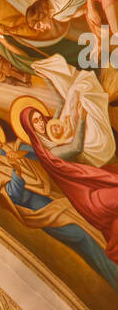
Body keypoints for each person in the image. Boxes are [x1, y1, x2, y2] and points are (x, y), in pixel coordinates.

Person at [0, 120, 118, 289]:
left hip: (56, 200)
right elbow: (15, 195)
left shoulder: (15, 147)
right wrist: (16, 171)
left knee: (94, 227)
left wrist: (40, 147)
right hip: (43, 213)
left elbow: (45, 157)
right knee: (83, 238)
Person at [19, 106, 118, 264]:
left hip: (95, 187)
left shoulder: (53, 137)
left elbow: (60, 114)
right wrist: (82, 119)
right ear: (30, 128)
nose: (41, 123)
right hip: (90, 198)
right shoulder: (48, 153)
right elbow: (75, 147)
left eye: (40, 118)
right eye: (35, 121)